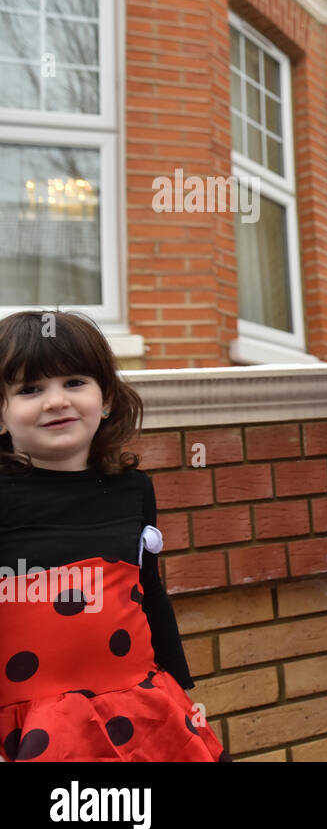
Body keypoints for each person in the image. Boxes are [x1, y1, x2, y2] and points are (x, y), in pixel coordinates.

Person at [0, 310, 226, 761]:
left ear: (105, 400)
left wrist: (178, 692)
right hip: (37, 725)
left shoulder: (132, 489)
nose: (56, 401)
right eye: (30, 389)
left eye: (75, 382)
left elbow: (151, 591)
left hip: (143, 707)